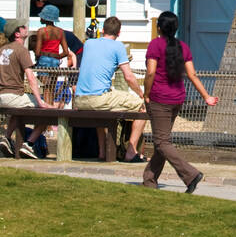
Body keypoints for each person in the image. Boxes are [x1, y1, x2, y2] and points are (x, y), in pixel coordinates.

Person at [142, 12, 218, 193]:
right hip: (177, 98)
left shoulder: (155, 45)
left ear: (159, 27)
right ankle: (149, 181)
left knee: (161, 142)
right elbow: (192, 75)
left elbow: (151, 72)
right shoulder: (183, 47)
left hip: (160, 99)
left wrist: (146, 93)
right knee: (163, 141)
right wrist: (206, 96)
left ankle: (191, 174)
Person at [74, 15, 148, 163]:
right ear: (119, 33)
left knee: (102, 107)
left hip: (80, 99)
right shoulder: (118, 46)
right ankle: (130, 152)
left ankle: (102, 152)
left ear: (102, 30)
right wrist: (141, 94)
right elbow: (128, 76)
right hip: (99, 98)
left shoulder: (89, 43)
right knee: (143, 108)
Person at [0, 19, 59, 158]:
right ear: (17, 34)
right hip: (14, 96)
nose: (26, 27)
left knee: (18, 110)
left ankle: (6, 138)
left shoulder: (2, 50)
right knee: (50, 112)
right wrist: (41, 102)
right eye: (22, 27)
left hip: (2, 97)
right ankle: (30, 144)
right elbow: (31, 78)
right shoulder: (21, 50)